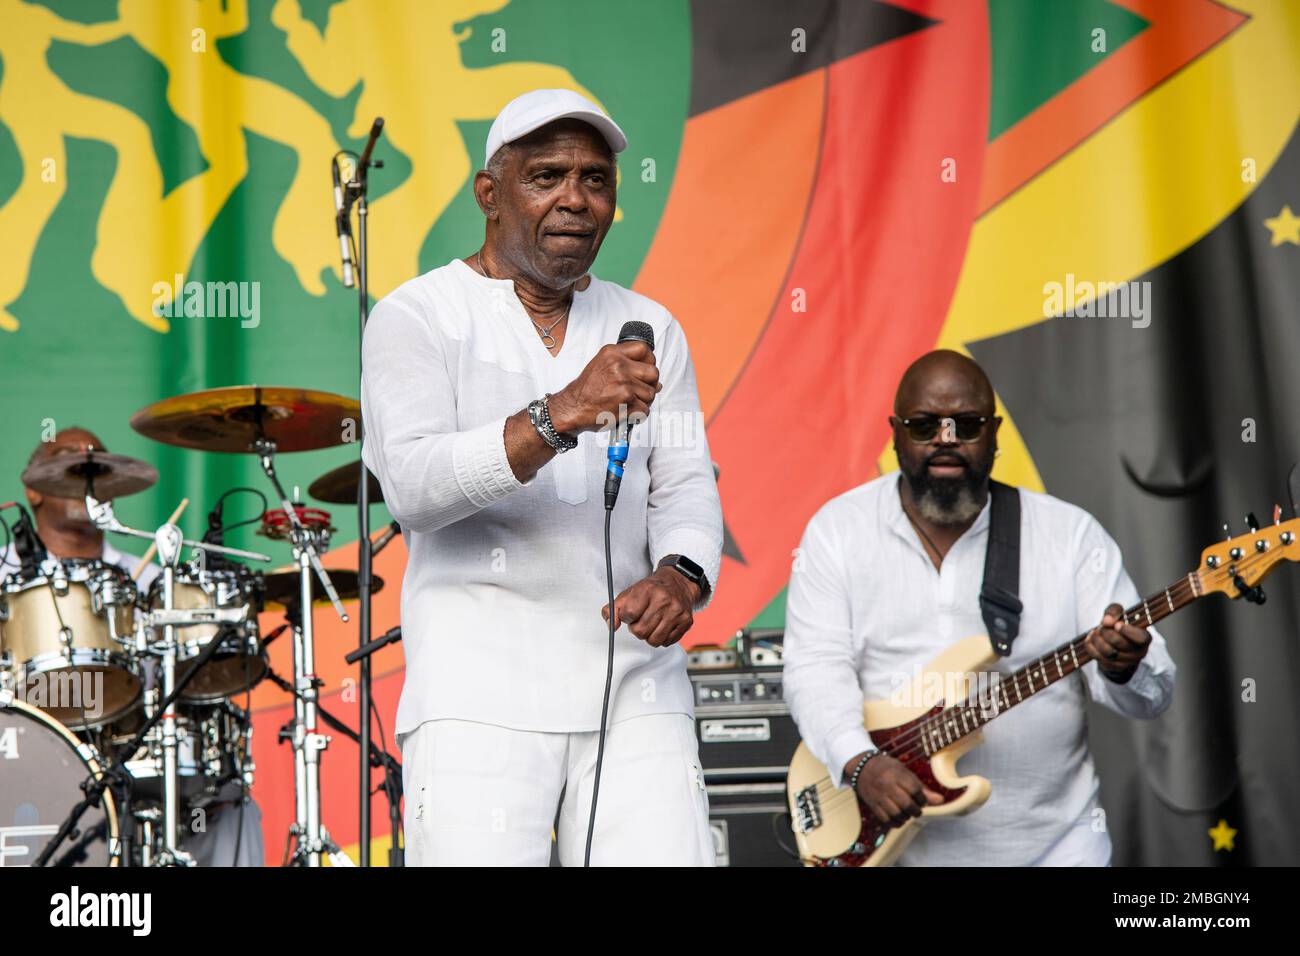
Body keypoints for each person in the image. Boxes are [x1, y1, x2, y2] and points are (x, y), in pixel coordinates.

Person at [361, 89, 723, 866]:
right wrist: (561, 413)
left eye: (595, 180)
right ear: (490, 194)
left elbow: (687, 483)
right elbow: (414, 489)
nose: (575, 199)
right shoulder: (416, 317)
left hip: (635, 688)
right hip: (477, 698)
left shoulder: (651, 326)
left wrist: (680, 575)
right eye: (547, 175)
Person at [783, 350, 1177, 865]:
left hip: (1055, 850)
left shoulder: (1070, 537)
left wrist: (1123, 667)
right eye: (924, 426)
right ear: (895, 432)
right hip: (896, 853)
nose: (945, 440)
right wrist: (859, 763)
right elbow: (814, 667)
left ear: (994, 434)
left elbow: (1151, 698)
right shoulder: (839, 530)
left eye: (966, 425)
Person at [1, 427, 263, 866]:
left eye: (96, 460)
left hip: (125, 753)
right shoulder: (5, 572)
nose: (84, 464)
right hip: (22, 751)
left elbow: (170, 683)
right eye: (66, 457)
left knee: (231, 804)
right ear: (33, 489)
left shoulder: (144, 582)